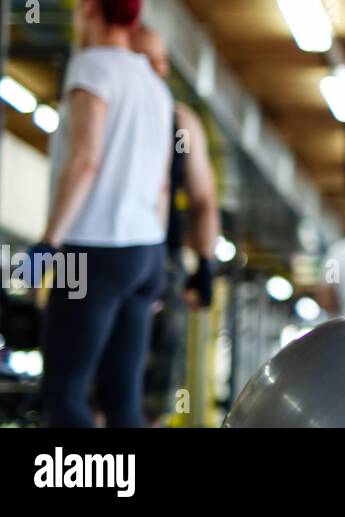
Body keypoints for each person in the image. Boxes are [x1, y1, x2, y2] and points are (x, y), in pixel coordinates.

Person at [33, 0, 173, 428]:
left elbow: (86, 160)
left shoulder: (91, 67)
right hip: (144, 254)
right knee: (121, 398)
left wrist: (48, 243)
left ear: (90, 6)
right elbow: (161, 182)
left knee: (64, 394)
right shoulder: (155, 87)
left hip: (93, 251)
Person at [131, 24, 219, 424]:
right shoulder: (102, 110)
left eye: (163, 61)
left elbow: (203, 200)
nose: (161, 71)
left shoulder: (179, 121)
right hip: (101, 264)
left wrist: (205, 265)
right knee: (96, 389)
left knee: (156, 391)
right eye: (149, 62)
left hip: (161, 266)